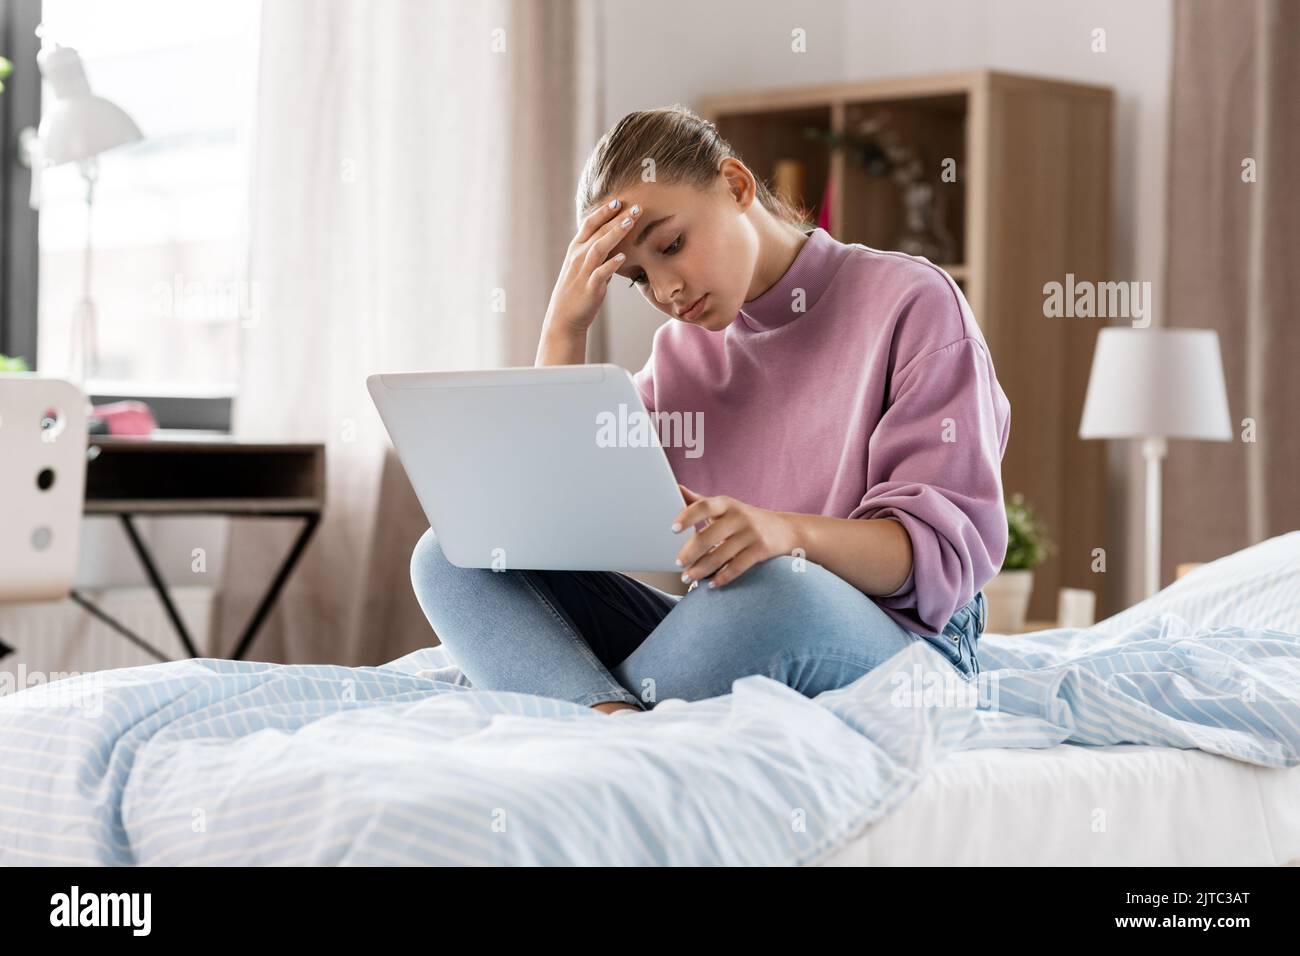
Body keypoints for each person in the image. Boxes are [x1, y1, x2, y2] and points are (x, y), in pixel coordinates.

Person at [411, 105, 1010, 714]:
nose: (666, 290)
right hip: (735, 623)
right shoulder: (680, 351)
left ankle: (575, 702)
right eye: (639, 277)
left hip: (908, 644)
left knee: (777, 584)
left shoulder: (912, 302)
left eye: (672, 244)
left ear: (736, 185)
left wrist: (786, 533)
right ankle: (609, 725)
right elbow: (549, 523)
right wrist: (564, 328)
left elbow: (935, 556)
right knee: (452, 554)